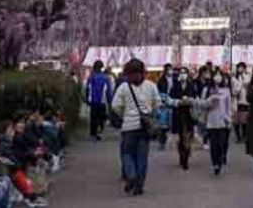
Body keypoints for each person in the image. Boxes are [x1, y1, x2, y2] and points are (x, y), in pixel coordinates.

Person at [110, 58, 160, 196]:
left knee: (127, 154)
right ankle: (139, 186)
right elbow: (157, 104)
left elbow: (115, 106)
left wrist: (124, 115)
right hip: (145, 128)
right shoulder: (151, 86)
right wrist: (151, 115)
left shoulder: (124, 87)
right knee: (142, 157)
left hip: (128, 128)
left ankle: (131, 175)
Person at [168, 66, 199, 170]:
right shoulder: (175, 86)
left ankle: (186, 157)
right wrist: (178, 102)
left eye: (184, 72)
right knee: (179, 137)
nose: (183, 75)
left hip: (189, 114)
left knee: (188, 136)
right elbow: (169, 99)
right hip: (178, 114)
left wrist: (190, 100)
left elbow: (196, 98)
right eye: (181, 73)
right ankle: (181, 155)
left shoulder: (191, 85)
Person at [203, 69, 233, 175]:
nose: (217, 77)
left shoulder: (226, 90)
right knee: (214, 144)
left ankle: (221, 159)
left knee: (222, 143)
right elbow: (203, 104)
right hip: (211, 121)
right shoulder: (207, 89)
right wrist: (210, 101)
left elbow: (229, 106)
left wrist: (229, 118)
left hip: (223, 121)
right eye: (215, 75)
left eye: (219, 75)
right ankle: (215, 163)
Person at [85, 61, 112, 140]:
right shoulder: (106, 78)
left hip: (93, 100)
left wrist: (87, 99)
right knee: (101, 117)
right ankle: (100, 132)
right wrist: (109, 100)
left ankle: (93, 133)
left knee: (93, 117)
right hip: (102, 101)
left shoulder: (91, 77)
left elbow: (88, 89)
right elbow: (108, 90)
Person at [232, 62, 251, 143]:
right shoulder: (234, 78)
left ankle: (244, 136)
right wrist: (239, 86)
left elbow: (248, 85)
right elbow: (234, 90)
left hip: (245, 101)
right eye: (239, 67)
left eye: (242, 67)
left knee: (244, 120)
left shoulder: (247, 76)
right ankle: (238, 137)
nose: (240, 69)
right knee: (236, 121)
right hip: (236, 101)